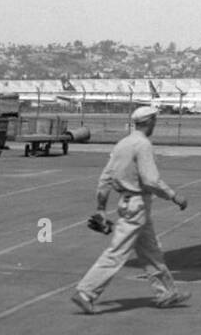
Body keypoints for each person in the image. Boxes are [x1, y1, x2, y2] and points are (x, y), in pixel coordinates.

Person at [72, 106, 190, 314]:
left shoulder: (123, 144)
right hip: (137, 204)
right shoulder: (142, 144)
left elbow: (105, 178)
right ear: (151, 122)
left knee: (151, 252)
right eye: (155, 121)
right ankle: (86, 292)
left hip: (128, 204)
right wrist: (174, 196)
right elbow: (151, 180)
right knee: (117, 252)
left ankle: (167, 292)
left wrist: (101, 207)